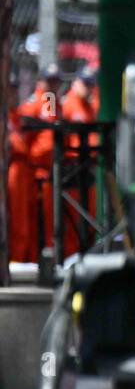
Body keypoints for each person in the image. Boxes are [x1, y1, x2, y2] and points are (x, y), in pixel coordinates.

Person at [5, 66, 60, 264]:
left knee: (35, 223)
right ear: (40, 81)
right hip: (25, 169)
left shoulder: (27, 110)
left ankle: (32, 261)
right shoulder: (41, 101)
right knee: (22, 223)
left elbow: (50, 132)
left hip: (37, 172)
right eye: (50, 81)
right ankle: (19, 261)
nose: (53, 85)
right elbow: (46, 137)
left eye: (56, 81)